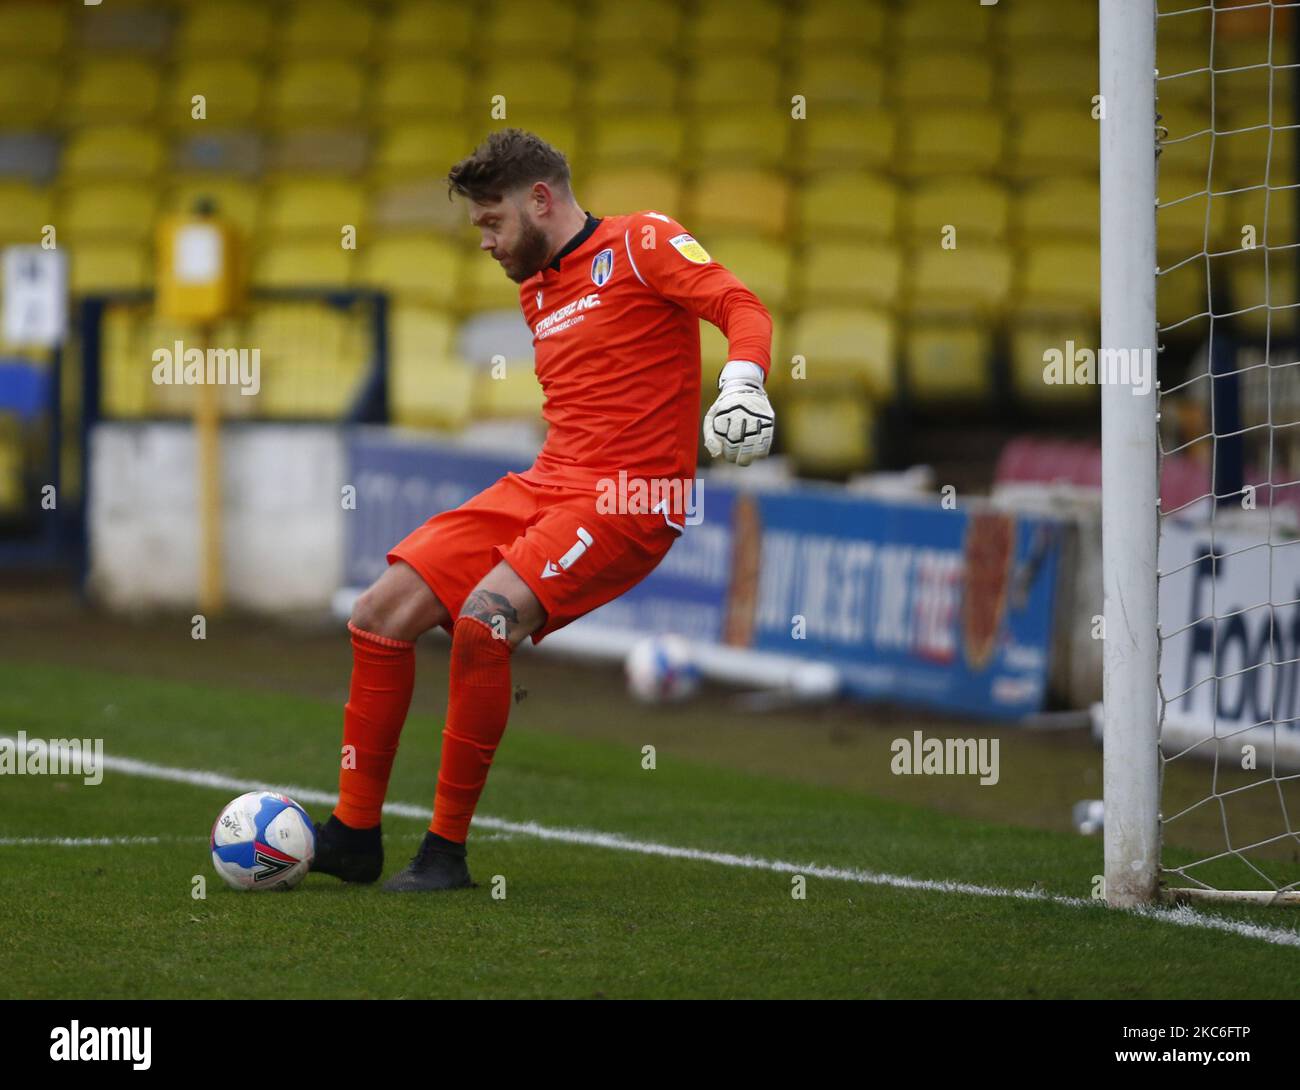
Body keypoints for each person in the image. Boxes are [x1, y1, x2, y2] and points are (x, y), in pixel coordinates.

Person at [312, 128, 775, 892]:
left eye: (492, 222)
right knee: (378, 611)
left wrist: (743, 384)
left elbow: (739, 304)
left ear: (540, 199)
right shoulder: (535, 287)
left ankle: (444, 854)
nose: (487, 242)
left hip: (630, 498)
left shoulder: (642, 242)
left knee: (483, 621)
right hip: (550, 482)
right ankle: (355, 833)